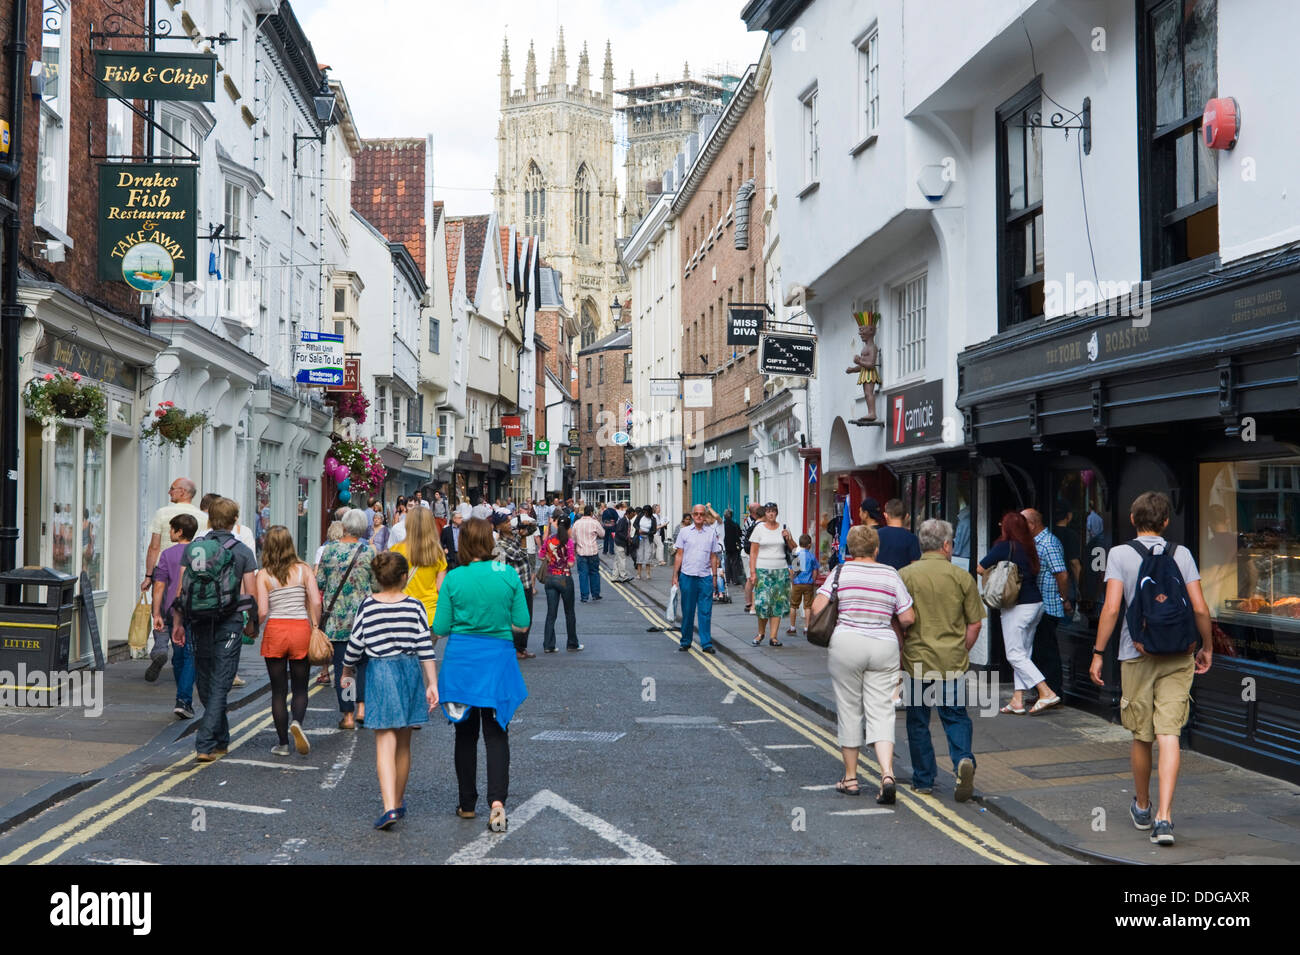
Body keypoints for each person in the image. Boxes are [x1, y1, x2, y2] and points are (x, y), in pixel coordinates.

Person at [1091, 491, 1212, 847]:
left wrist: (1098, 652)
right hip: (1178, 654)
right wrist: (1206, 647)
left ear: (1133, 520)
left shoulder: (1119, 554)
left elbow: (1112, 609)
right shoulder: (1183, 554)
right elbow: (1201, 608)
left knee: (1141, 735)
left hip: (1135, 654)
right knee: (1169, 734)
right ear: (1165, 523)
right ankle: (1165, 818)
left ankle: (1142, 807)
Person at [433, 517, 530, 831]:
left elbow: (442, 628)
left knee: (465, 733)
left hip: (462, 662)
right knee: (496, 731)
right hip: (497, 660)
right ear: (490, 542)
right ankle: (498, 803)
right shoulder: (507, 574)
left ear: (463, 544)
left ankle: (466, 804)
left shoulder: (454, 577)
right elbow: (522, 623)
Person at [813, 524, 915, 803]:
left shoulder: (839, 572)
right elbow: (907, 618)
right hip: (883, 646)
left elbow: (817, 609)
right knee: (882, 711)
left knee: (849, 710)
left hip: (847, 644)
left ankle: (851, 778)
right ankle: (887, 775)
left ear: (850, 549)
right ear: (876, 549)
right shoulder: (890, 574)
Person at [342, 551, 439, 830]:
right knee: (404, 743)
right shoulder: (415, 605)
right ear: (404, 577)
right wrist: (432, 683)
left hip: (381, 672)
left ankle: (388, 809)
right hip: (409, 671)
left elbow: (355, 644)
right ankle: (397, 801)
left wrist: (347, 672)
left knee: (385, 742)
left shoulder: (368, 605)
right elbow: (425, 647)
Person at [898, 519, 983, 799]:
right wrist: (962, 650)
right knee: (956, 717)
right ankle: (962, 761)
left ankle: (923, 779)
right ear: (946, 545)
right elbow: (975, 624)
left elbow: (898, 621)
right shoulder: (962, 577)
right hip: (952, 663)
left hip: (916, 661)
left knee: (918, 721)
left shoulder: (905, 576)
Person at [182, 497, 258, 762]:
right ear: (235, 521)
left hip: (199, 621)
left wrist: (179, 624)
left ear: (210, 520)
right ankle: (205, 743)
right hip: (230, 623)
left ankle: (220, 740)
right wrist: (252, 623)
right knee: (220, 684)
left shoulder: (195, 548)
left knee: (206, 683)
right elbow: (251, 594)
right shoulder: (243, 552)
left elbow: (182, 588)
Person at [978, 511, 1060, 716]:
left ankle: (1046, 691)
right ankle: (1017, 699)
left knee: (1014, 654)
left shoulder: (1004, 546)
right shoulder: (1030, 547)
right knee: (1024, 652)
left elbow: (980, 568)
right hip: (1036, 604)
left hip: (1017, 606)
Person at [255, 525, 323, 757]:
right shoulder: (304, 570)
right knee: (301, 687)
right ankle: (298, 723)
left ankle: (283, 743)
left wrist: (253, 625)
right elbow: (315, 601)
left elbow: (263, 611)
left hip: (276, 630)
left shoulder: (263, 575)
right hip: (300, 630)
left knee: (278, 692)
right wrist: (316, 625)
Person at [316, 509, 379, 730]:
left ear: (343, 526)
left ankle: (348, 715)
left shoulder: (329, 550)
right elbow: (377, 585)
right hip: (365, 619)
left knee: (344, 668)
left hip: (337, 622)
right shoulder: (369, 552)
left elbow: (320, 583)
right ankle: (362, 706)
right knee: (363, 665)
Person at [149, 513, 199, 718]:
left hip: (172, 609)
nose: (169, 533)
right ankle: (183, 699)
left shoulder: (167, 554)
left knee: (179, 654)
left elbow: (159, 586)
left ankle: (182, 697)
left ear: (179, 532)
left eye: (171, 529)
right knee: (190, 654)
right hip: (195, 608)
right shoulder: (199, 552)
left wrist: (156, 614)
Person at [1022, 508, 1071, 695]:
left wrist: (1063, 598)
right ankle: (1043, 692)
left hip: (1049, 605)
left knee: (1047, 650)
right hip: (1039, 605)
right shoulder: (1035, 542)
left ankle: (1053, 692)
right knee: (1040, 650)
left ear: (1032, 524)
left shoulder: (1048, 543)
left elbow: (1062, 574)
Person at [672, 505, 722, 654]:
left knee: (705, 611)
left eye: (701, 514)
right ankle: (686, 641)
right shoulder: (684, 532)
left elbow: (714, 556)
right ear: (692, 516)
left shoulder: (711, 533)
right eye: (696, 514)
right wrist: (675, 575)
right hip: (687, 576)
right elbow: (679, 554)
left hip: (705, 577)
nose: (699, 516)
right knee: (687, 611)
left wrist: (714, 576)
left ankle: (706, 643)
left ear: (705, 516)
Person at [141, 477, 204, 594]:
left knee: (162, 607)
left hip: (164, 570)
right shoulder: (204, 517)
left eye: (172, 489)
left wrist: (148, 576)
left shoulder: (162, 513)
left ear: (182, 491)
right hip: (192, 570)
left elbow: (154, 547)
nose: (169, 492)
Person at [748, 502, 796, 647]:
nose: (771, 514)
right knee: (763, 603)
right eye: (768, 511)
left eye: (773, 511)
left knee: (777, 603)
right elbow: (753, 552)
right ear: (765, 513)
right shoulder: (759, 529)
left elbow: (794, 548)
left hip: (780, 570)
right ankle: (761, 633)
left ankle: (773, 636)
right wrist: (752, 573)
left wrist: (788, 538)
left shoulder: (783, 528)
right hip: (762, 570)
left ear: (777, 513)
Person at [390, 507, 447, 626]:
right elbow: (440, 588)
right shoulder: (438, 553)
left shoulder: (395, 550)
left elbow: (390, 585)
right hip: (429, 614)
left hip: (402, 613)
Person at [493, 513, 537, 660]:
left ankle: (522, 647)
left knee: (528, 617)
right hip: (514, 586)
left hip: (526, 583)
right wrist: (523, 538)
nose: (509, 523)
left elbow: (532, 530)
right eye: (505, 522)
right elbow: (520, 555)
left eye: (509, 520)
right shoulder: (500, 545)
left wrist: (528, 524)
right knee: (516, 618)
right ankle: (515, 648)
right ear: (498, 527)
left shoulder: (514, 534)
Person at [541, 515, 581, 652]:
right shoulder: (568, 542)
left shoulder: (549, 540)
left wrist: (550, 558)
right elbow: (570, 562)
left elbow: (541, 556)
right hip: (564, 578)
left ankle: (548, 645)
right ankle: (572, 643)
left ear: (557, 525)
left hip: (550, 577)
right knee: (569, 613)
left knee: (551, 614)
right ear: (569, 527)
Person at [876, 498, 922, 571]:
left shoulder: (876, 535)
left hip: (880, 579)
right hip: (902, 580)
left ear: (886, 515)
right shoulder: (912, 538)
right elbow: (915, 567)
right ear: (907, 516)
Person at [788, 533, 820, 636]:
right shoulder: (811, 556)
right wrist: (813, 580)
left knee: (793, 605)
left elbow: (792, 571)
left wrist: (792, 580)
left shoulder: (796, 556)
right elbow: (815, 570)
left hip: (797, 584)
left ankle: (792, 628)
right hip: (808, 584)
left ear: (800, 543)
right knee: (808, 607)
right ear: (809, 545)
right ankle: (806, 628)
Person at [572, 505, 605, 603]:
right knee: (594, 572)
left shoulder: (577, 523)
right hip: (592, 552)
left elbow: (573, 539)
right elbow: (602, 534)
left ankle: (584, 596)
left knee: (583, 574)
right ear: (591, 513)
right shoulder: (595, 522)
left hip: (581, 552)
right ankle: (595, 594)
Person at [740, 503, 762, 612]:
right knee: (750, 578)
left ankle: (751, 602)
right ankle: (749, 603)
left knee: (751, 578)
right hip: (747, 553)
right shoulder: (752, 523)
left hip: (749, 552)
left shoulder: (754, 521)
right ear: (755, 512)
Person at [612, 505, 634, 582]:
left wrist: (629, 538)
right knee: (622, 559)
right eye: (633, 514)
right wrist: (627, 538)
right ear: (629, 513)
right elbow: (619, 531)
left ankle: (614, 577)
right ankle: (624, 576)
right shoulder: (623, 520)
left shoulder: (628, 521)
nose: (633, 516)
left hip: (621, 542)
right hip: (619, 542)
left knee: (617, 560)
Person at [635, 505, 657, 581]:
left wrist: (646, 532)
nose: (645, 513)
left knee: (648, 555)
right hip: (640, 537)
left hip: (648, 538)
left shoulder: (653, 519)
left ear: (649, 512)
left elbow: (654, 530)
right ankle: (638, 574)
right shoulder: (640, 515)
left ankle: (648, 574)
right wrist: (639, 529)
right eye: (644, 512)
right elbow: (635, 524)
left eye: (646, 512)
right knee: (639, 554)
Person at [723, 509, 745, 587]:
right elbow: (740, 534)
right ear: (731, 516)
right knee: (735, 563)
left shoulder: (723, 525)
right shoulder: (735, 524)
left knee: (727, 562)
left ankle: (727, 579)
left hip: (726, 546)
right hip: (735, 546)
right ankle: (735, 580)